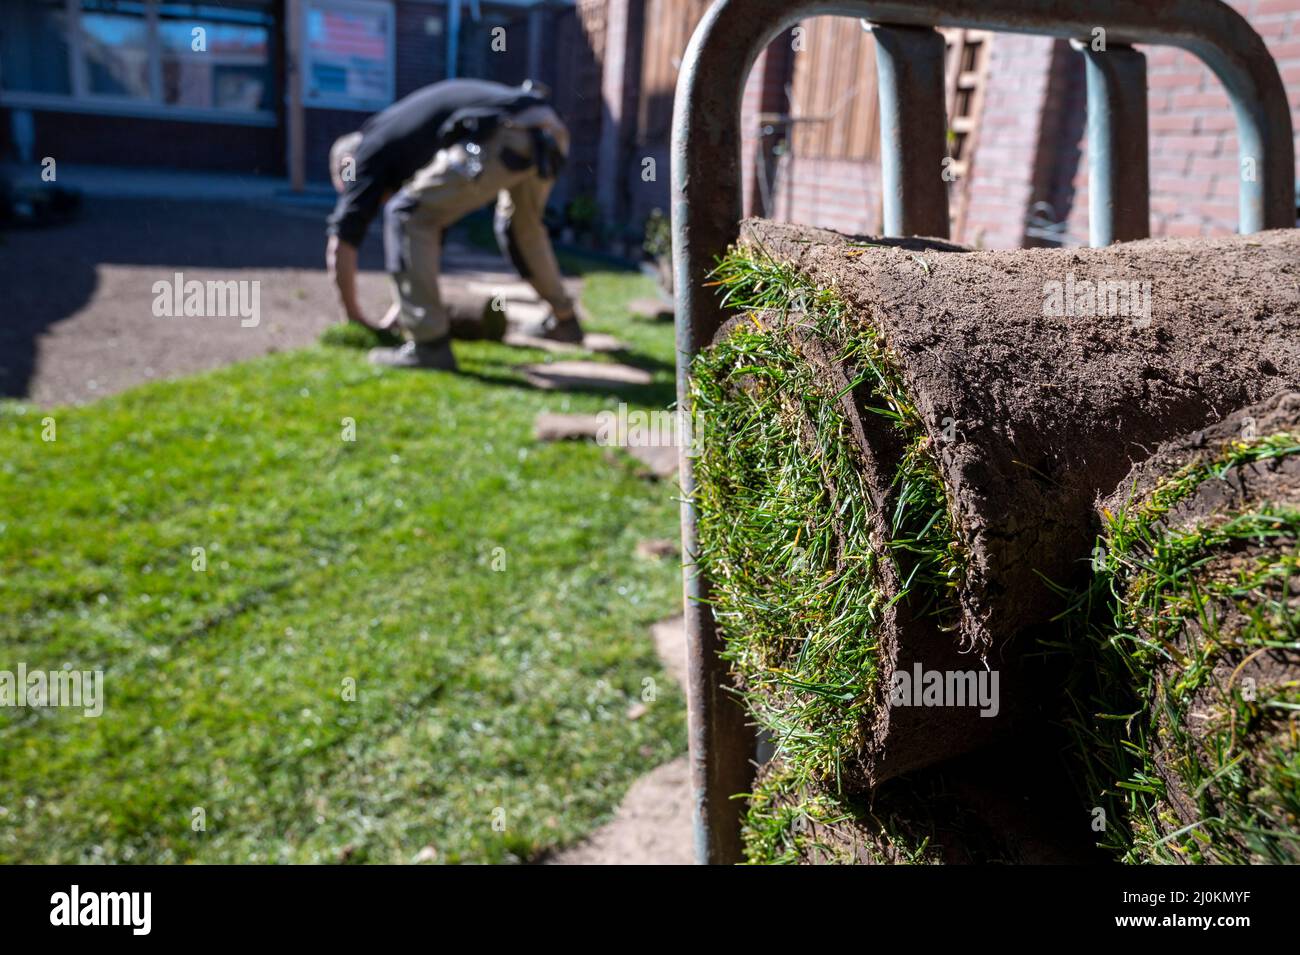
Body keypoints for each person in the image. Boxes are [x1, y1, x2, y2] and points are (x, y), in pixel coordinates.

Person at [326, 79, 583, 370]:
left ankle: (429, 346)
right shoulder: (402, 138)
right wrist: (400, 312)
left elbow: (342, 241)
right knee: (522, 230)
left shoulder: (367, 151)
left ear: (347, 164)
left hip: (502, 129)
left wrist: (353, 317)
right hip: (547, 126)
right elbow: (429, 240)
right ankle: (566, 321)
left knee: (406, 213)